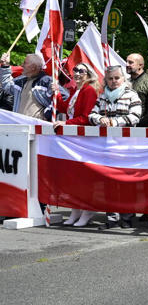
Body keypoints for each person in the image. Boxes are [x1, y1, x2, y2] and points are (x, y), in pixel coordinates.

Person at [88, 65, 142, 229]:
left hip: (126, 147)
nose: (113, 81)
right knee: (109, 185)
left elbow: (135, 116)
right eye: (110, 79)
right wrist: (99, 119)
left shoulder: (132, 95)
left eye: (116, 78)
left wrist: (114, 122)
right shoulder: (102, 97)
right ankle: (112, 219)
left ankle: (126, 218)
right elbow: (91, 114)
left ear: (123, 79)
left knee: (125, 184)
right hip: (106, 147)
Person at [53, 63, 100, 227]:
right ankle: (76, 210)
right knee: (73, 178)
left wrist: (66, 123)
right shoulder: (75, 91)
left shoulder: (89, 91)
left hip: (84, 140)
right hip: (73, 139)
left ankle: (87, 210)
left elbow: (86, 118)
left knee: (84, 178)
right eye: (75, 70)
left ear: (88, 75)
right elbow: (65, 108)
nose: (77, 73)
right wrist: (57, 93)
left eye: (82, 71)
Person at [0, 52, 57, 120]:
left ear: (33, 67)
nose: (22, 65)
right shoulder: (22, 81)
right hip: (20, 124)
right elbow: (7, 86)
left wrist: (47, 114)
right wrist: (5, 65)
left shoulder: (47, 81)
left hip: (37, 127)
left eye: (25, 63)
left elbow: (61, 99)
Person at [126, 53, 148, 126]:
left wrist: (142, 122)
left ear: (140, 65)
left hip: (142, 126)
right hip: (126, 124)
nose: (127, 64)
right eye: (126, 62)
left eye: (130, 62)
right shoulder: (124, 82)